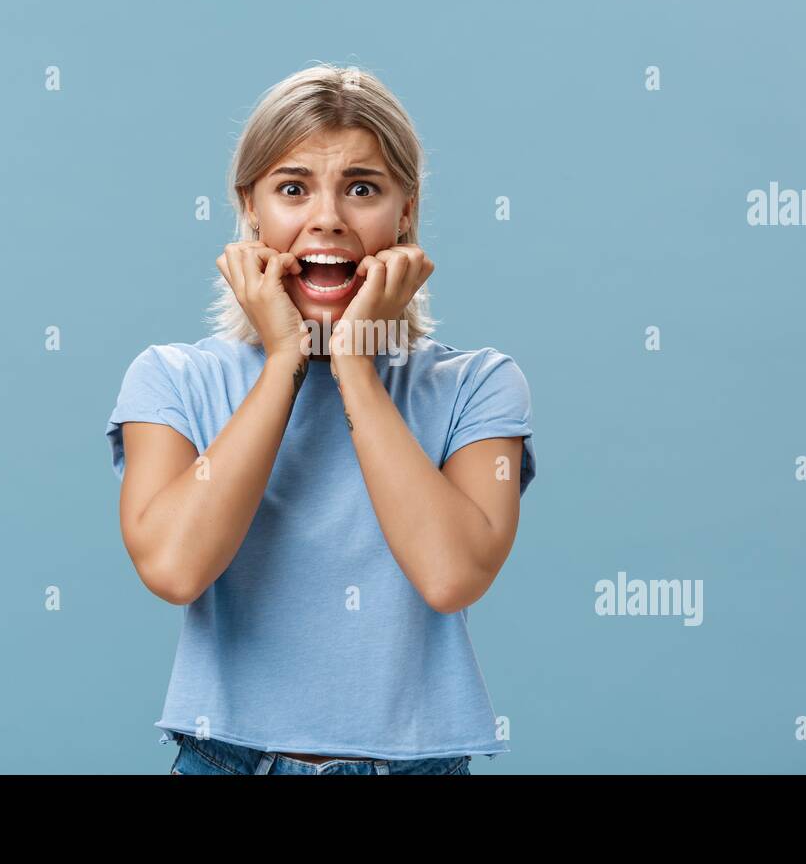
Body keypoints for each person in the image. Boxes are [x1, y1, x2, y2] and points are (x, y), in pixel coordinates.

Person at [106, 64, 535, 775]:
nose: (328, 216)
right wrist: (282, 360)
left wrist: (356, 362)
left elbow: (451, 575)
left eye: (362, 188)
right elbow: (176, 567)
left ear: (405, 209)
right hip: (226, 762)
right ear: (251, 209)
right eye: (293, 188)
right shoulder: (173, 378)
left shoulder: (480, 385)